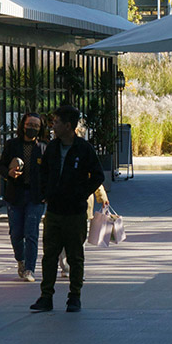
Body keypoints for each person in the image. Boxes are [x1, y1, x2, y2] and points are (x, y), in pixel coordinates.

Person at [30, 105, 105, 314]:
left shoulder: (84, 149)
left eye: (56, 122)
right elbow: (42, 172)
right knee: (49, 255)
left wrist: (81, 193)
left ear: (68, 125)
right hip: (54, 210)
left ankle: (74, 296)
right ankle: (46, 296)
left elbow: (98, 175)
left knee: (75, 255)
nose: (53, 126)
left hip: (75, 211)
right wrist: (45, 192)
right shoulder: (52, 148)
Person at [0, 112, 47, 282]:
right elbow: (0, 165)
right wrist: (8, 173)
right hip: (15, 195)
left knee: (31, 232)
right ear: (23, 125)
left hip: (35, 197)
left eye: (36, 126)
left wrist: (46, 194)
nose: (32, 128)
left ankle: (30, 269)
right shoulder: (12, 145)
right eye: (29, 124)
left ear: (40, 129)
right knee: (16, 233)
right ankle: (21, 260)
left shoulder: (43, 148)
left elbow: (50, 173)